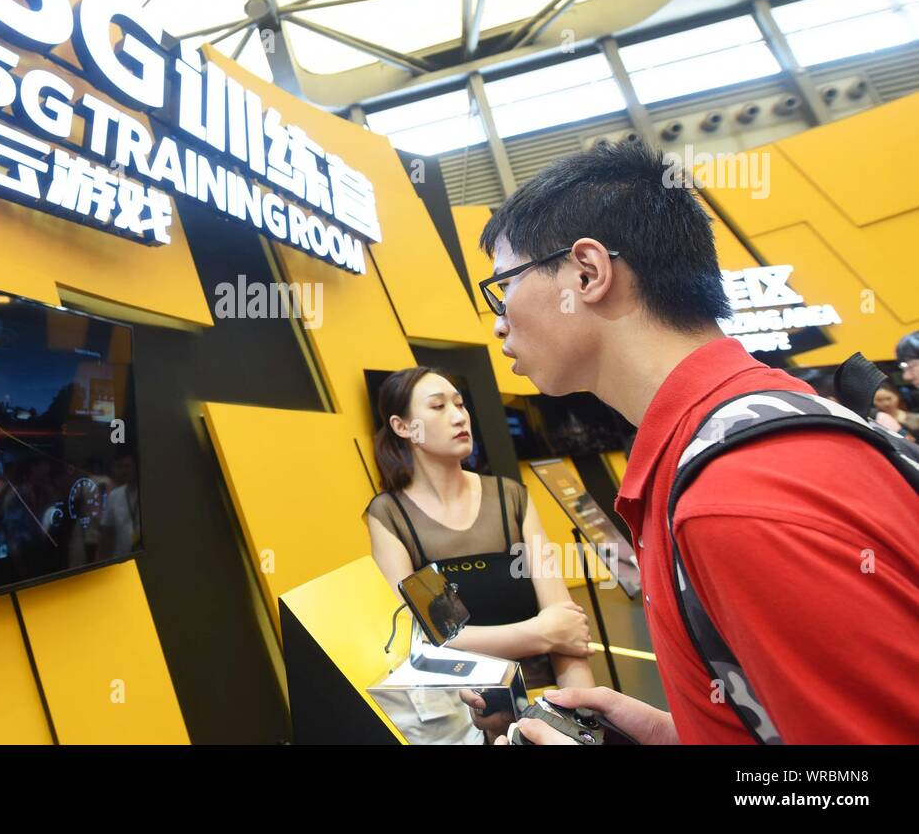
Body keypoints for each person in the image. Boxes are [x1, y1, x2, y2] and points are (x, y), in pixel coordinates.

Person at [462, 141, 919, 745]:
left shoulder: (733, 497)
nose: (497, 321)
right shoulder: (739, 433)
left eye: (503, 286)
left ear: (588, 273)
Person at [365, 366, 596, 741]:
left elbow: (566, 628)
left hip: (546, 704)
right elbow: (424, 641)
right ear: (403, 426)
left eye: (460, 404)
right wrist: (538, 633)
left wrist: (582, 721)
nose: (459, 416)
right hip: (463, 720)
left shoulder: (511, 498)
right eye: (438, 407)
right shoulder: (390, 516)